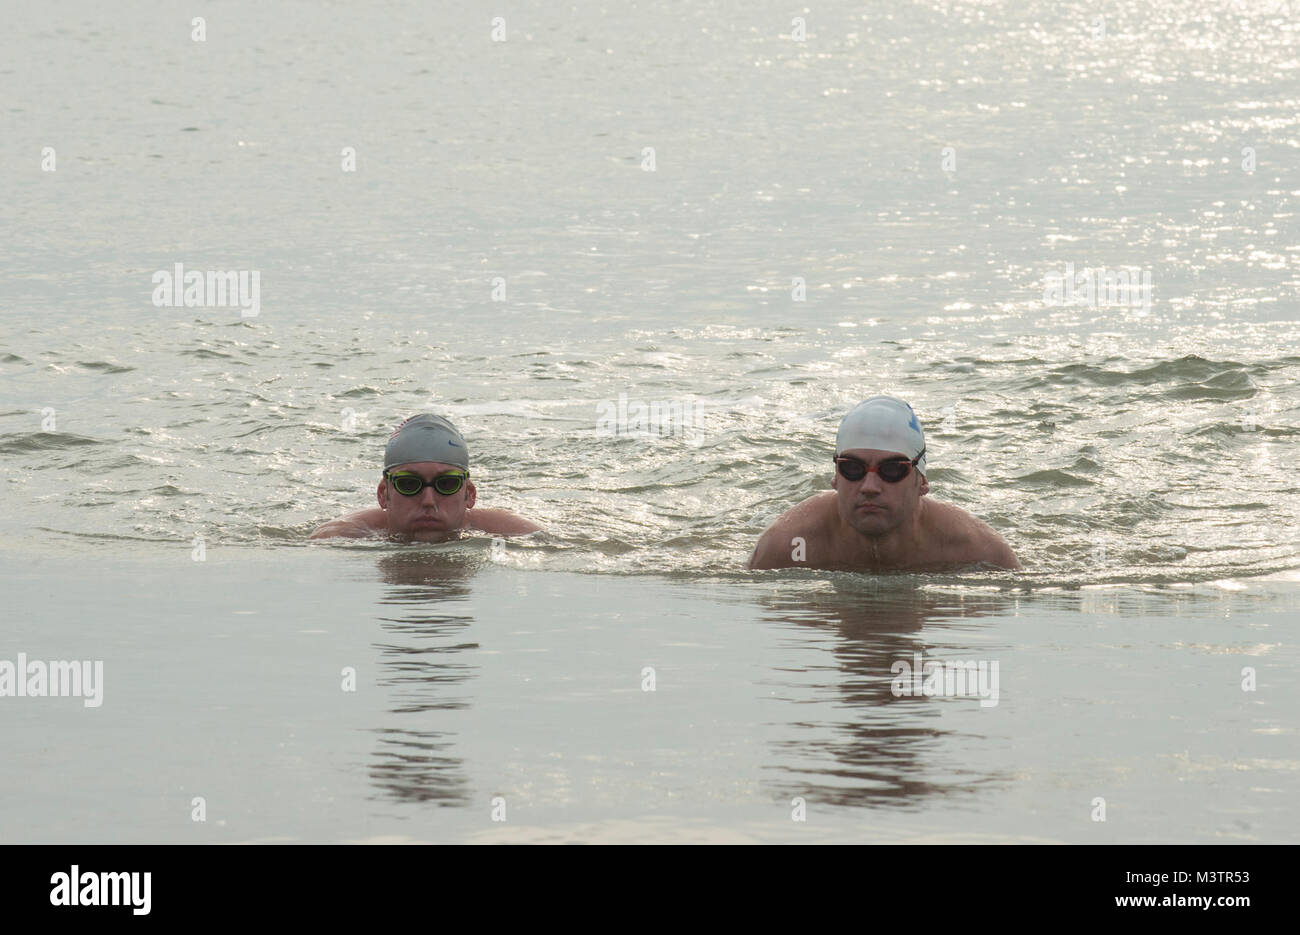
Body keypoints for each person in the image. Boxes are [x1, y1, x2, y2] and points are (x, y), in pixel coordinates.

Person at [748, 396, 1019, 571]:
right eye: (852, 468)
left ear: (922, 481)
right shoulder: (786, 547)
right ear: (835, 477)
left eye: (891, 470)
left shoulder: (976, 551)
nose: (869, 486)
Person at [309, 414, 542, 541]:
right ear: (383, 494)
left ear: (469, 494)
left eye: (447, 484)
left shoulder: (521, 534)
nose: (428, 500)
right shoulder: (339, 536)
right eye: (409, 484)